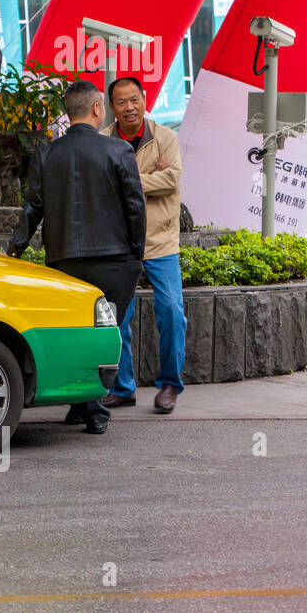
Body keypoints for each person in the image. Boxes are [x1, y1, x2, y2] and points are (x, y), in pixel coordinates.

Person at [8, 79, 146, 434]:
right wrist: (137, 253)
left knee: (73, 332)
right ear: (98, 108)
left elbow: (32, 208)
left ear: (68, 114)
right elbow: (135, 208)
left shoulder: (46, 153)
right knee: (106, 332)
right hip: (114, 260)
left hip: (64, 261)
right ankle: (94, 410)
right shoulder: (118, 151)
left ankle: (80, 404)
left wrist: (13, 250)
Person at [100, 76, 188, 414]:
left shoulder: (166, 137)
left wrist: (126, 179)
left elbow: (171, 180)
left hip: (161, 241)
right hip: (119, 242)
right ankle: (123, 387)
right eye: (121, 102)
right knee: (117, 318)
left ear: (144, 99)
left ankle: (169, 384)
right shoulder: (103, 141)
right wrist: (150, 177)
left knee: (171, 313)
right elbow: (101, 185)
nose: (129, 107)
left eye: (134, 99)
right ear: (111, 107)